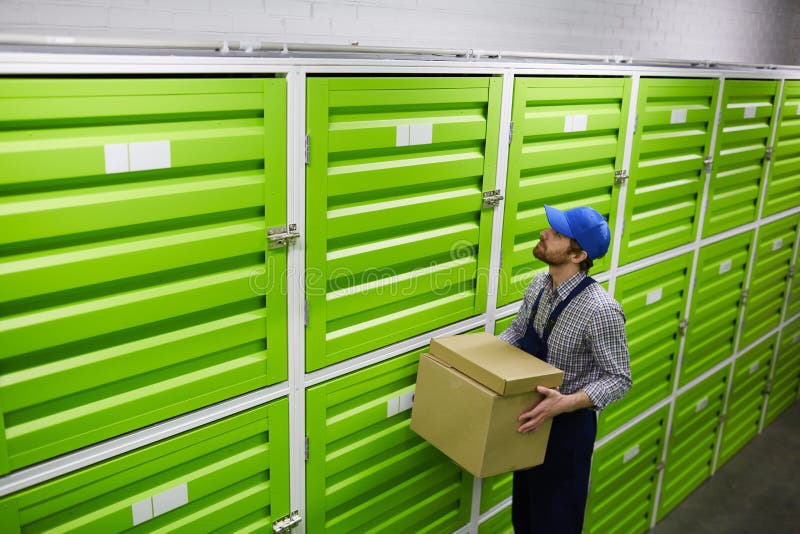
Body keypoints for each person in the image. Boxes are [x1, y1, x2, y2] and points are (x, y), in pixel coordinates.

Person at [498, 204, 632, 534]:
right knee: (525, 519)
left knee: (556, 525)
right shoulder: (539, 286)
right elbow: (517, 332)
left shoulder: (601, 310)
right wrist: (480, 362)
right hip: (530, 420)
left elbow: (619, 379)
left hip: (567, 433)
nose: (544, 233)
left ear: (577, 255)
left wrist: (565, 403)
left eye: (557, 233)